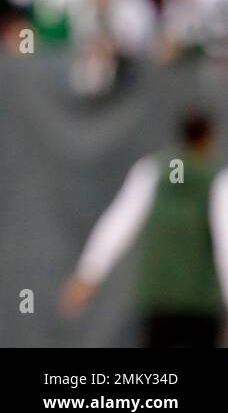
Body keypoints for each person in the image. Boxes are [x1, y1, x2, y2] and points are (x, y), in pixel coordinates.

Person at [61, 110, 228, 347]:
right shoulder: (218, 180)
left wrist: (88, 274)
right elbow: (225, 242)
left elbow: (118, 223)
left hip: (159, 298)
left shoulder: (152, 172)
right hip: (201, 303)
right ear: (210, 137)